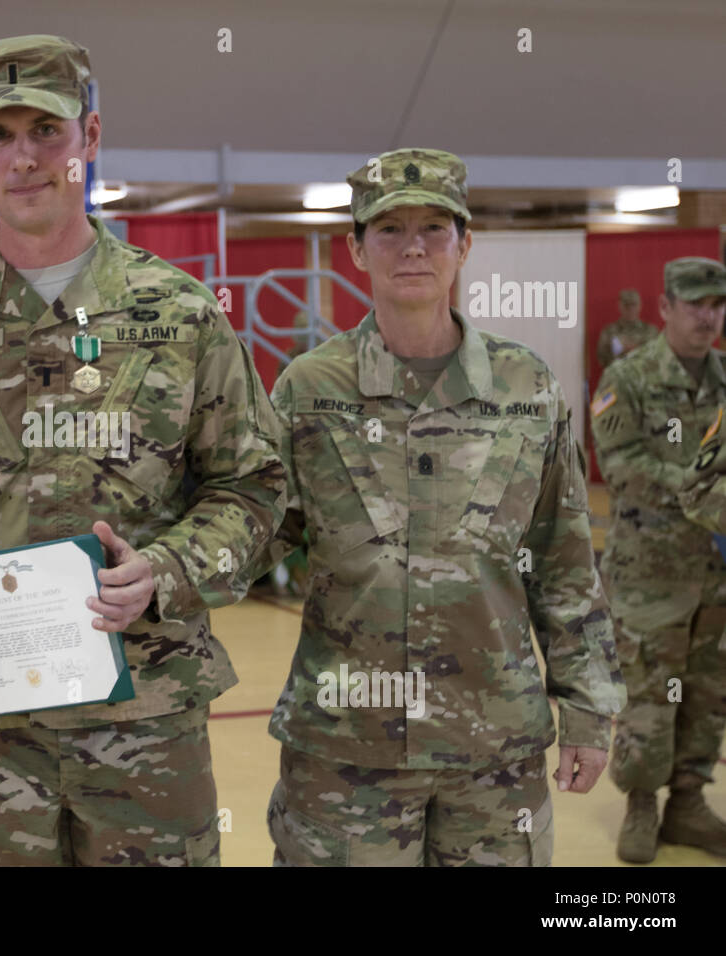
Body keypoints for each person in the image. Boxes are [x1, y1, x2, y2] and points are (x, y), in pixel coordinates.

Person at [0, 34, 285, 866]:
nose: (26, 157)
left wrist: (171, 569)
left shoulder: (179, 314)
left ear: (92, 138)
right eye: (0, 134)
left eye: (48, 129)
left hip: (147, 718)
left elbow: (252, 488)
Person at [263, 148, 625, 866]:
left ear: (465, 244)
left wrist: (588, 705)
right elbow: (253, 532)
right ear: (356, 248)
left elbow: (564, 560)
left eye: (434, 226)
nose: (413, 247)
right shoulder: (309, 389)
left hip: (493, 749)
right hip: (346, 752)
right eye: (389, 229)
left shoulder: (527, 388)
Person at [593, 256, 726, 862]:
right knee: (652, 696)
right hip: (650, 577)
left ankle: (688, 803)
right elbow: (624, 470)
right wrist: (708, 490)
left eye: (717, 305)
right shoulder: (629, 378)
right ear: (665, 307)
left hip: (715, 578)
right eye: (696, 304)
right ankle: (642, 803)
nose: (709, 316)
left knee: (704, 693)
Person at [596, 288, 657, 371]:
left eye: (633, 305)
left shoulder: (651, 331)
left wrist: (634, 349)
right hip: (618, 378)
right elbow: (602, 360)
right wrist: (621, 353)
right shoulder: (609, 332)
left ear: (640, 305)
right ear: (619, 306)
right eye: (626, 305)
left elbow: (658, 357)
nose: (630, 309)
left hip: (644, 380)